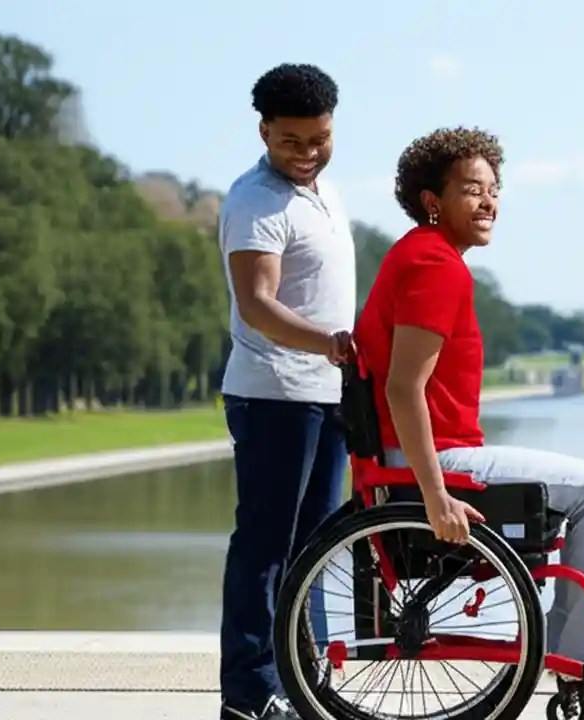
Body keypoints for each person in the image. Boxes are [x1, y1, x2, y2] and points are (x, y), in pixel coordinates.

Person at [352, 127, 584, 674]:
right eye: (472, 189)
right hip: (437, 462)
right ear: (433, 202)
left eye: (494, 189)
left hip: (425, 454)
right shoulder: (435, 266)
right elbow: (403, 387)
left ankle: (572, 653)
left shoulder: (422, 255)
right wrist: (435, 497)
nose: (489, 202)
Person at [217, 62, 356, 720]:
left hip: (322, 395)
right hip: (275, 396)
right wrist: (330, 342)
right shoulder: (256, 200)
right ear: (264, 130)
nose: (306, 154)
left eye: (319, 139)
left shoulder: (324, 193)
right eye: (291, 141)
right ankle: (249, 696)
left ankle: (301, 683)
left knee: (316, 550)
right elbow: (257, 305)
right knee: (266, 550)